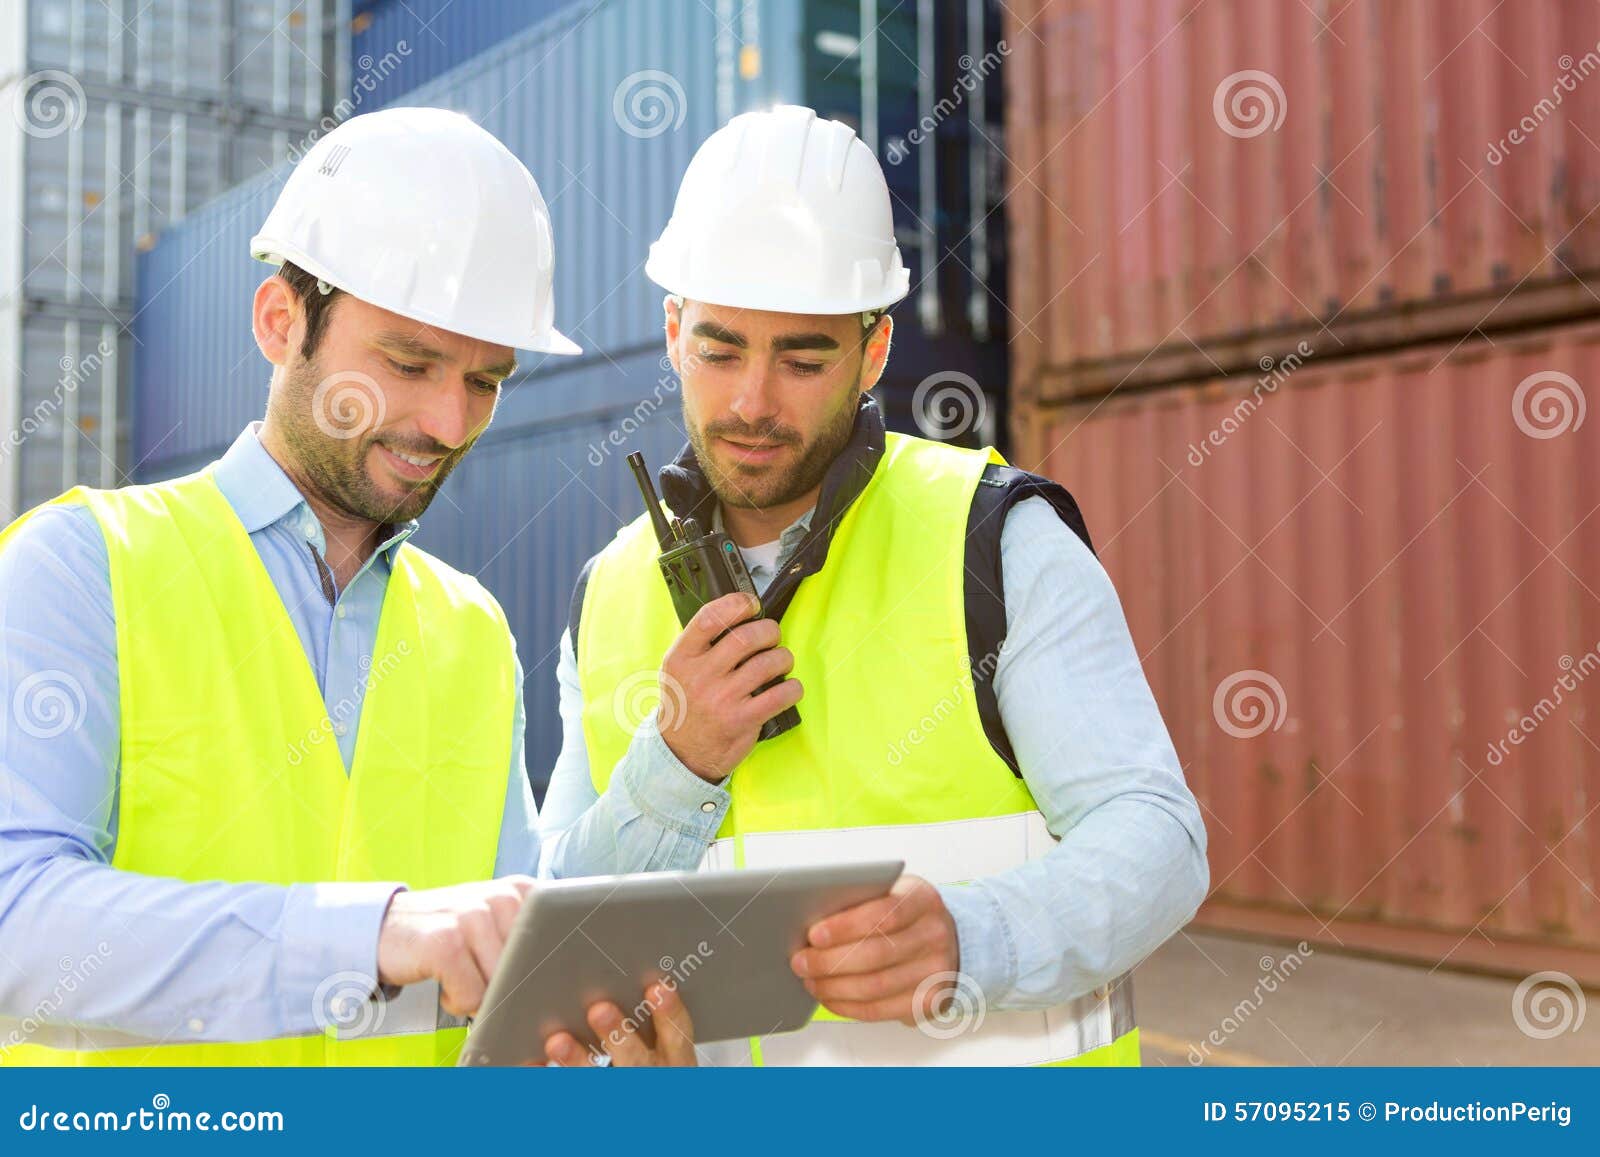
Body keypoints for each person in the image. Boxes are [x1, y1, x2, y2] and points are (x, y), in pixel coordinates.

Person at [0, 107, 692, 1067]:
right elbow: (14, 917)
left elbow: (495, 986)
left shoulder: (471, 631)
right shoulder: (83, 566)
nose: (448, 422)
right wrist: (372, 935)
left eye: (486, 381)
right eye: (408, 364)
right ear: (282, 322)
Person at [540, 105, 1210, 1066]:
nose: (752, 402)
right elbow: (556, 917)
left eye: (803, 357)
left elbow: (1159, 842)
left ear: (874, 351)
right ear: (673, 332)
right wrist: (677, 766)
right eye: (721, 349)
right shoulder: (606, 593)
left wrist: (973, 940)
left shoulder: (996, 540)